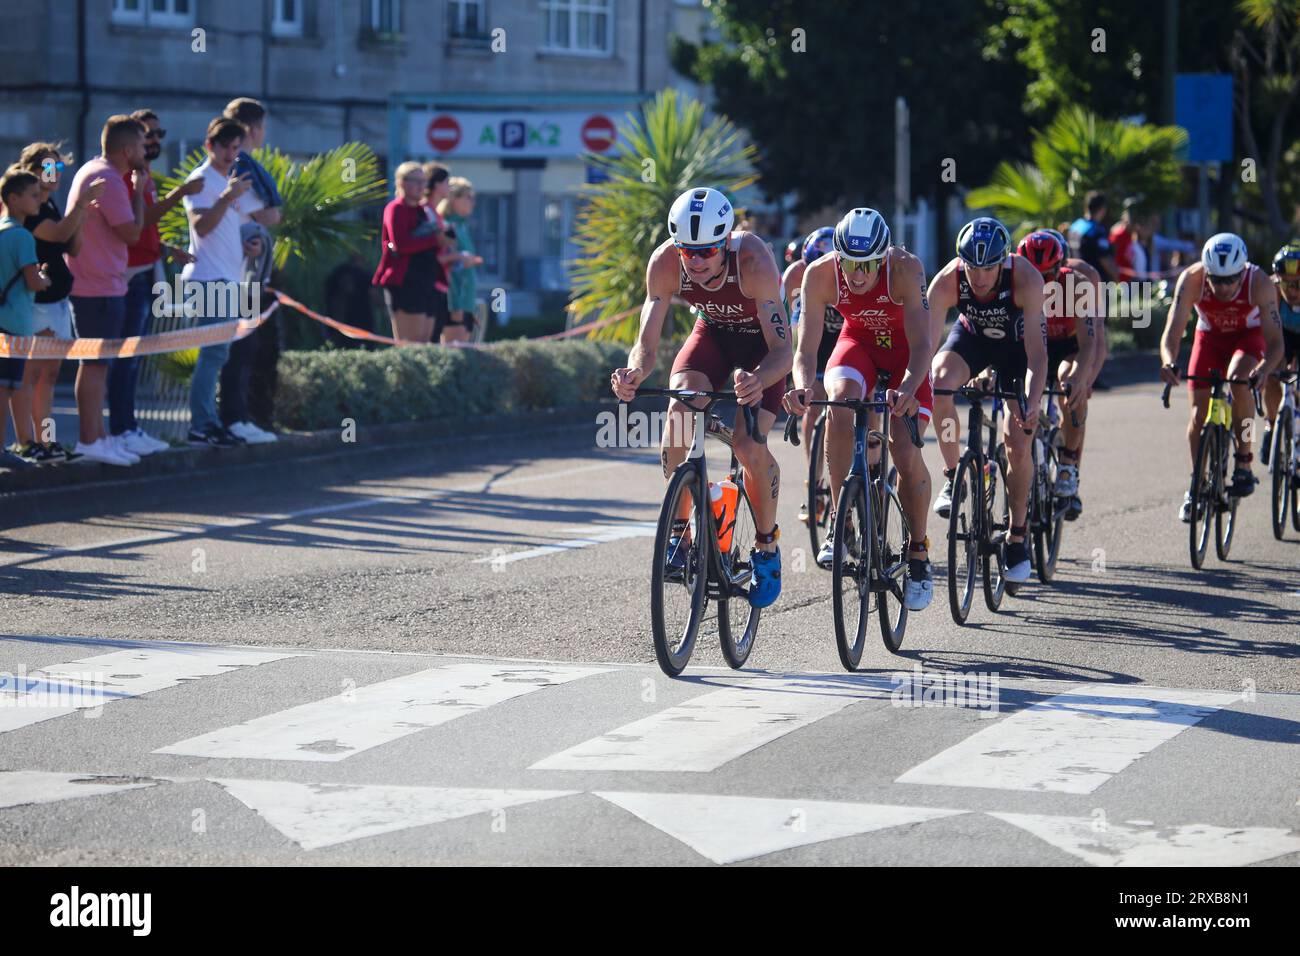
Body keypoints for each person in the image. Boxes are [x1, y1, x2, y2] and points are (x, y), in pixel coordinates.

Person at [610, 186, 792, 609]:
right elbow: (646, 342)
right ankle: (680, 532)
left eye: (707, 251)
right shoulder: (665, 263)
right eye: (687, 251)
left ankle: (766, 548)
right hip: (712, 337)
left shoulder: (754, 260)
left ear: (726, 242)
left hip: (761, 350)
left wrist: (760, 379)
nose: (696, 261)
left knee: (748, 444)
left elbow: (783, 349)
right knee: (678, 413)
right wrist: (635, 370)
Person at [784, 208, 935, 610]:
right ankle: (840, 519)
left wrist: (906, 388)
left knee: (904, 451)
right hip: (859, 345)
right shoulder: (819, 274)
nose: (856, 273)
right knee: (838, 403)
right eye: (848, 262)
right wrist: (801, 386)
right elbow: (806, 349)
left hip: (906, 354)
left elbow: (923, 345)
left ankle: (918, 551)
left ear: (883, 257)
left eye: (866, 264)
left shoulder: (906, 268)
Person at [929, 216, 1048, 585]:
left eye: (988, 267)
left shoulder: (1026, 279)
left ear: (1004, 261)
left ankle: (1017, 535)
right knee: (939, 383)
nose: (979, 277)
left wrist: (1031, 402)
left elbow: (1038, 355)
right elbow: (926, 346)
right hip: (972, 342)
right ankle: (954, 476)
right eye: (972, 267)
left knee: (1018, 442)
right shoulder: (947, 282)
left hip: (1015, 350)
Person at [1159, 233, 1285, 520]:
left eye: (1231, 279)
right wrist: (1168, 361)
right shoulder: (1192, 279)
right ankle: (1197, 484)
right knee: (1197, 415)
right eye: (1217, 279)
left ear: (1242, 271)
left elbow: (1276, 343)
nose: (1224, 286)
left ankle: (1244, 461)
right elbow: (1173, 331)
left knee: (1239, 380)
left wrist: (1264, 370)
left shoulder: (1260, 283)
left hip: (1247, 338)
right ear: (1207, 273)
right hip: (1210, 339)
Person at [111, 110, 200, 457]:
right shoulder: (123, 176)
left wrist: (164, 248)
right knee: (123, 357)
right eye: (148, 134)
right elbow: (134, 222)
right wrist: (180, 193)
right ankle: (119, 429)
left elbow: (142, 226)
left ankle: (129, 427)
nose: (155, 141)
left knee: (135, 357)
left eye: (160, 134)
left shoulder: (143, 174)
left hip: (147, 270)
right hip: (127, 276)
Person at [64, 115, 148, 466]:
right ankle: (90, 439)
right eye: (143, 145)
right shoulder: (109, 180)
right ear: (127, 150)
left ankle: (99, 437)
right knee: (96, 364)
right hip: (97, 287)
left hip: (100, 284)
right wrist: (139, 192)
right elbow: (132, 233)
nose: (147, 150)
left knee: (99, 364)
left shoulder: (97, 171)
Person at [10, 143, 101, 462]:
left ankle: (46, 442)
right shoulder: (29, 213)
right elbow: (59, 233)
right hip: (36, 304)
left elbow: (72, 247)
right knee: (30, 376)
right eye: (49, 168)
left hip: (58, 301)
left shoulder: (51, 206)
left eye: (59, 168)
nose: (55, 174)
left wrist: (83, 215)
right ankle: (25, 442)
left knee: (49, 377)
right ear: (32, 172)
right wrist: (80, 207)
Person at [180, 116, 264, 447]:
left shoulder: (225, 181)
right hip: (209, 278)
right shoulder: (202, 180)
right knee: (213, 353)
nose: (231, 155)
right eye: (225, 147)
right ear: (209, 146)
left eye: (235, 148)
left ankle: (210, 423)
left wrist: (246, 246)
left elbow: (219, 231)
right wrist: (227, 198)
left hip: (227, 276)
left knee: (220, 353)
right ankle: (201, 425)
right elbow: (200, 227)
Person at [1017, 229, 1100, 519]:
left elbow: (1091, 342)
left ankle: (1067, 464)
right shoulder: (1015, 282)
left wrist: (1082, 377)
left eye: (1047, 275)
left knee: (1070, 386)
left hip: (1065, 348)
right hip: (1029, 348)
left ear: (1061, 266)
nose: (1039, 282)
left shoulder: (1077, 283)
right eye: (1033, 274)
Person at [219, 98, 282, 441]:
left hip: (246, 272)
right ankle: (232, 419)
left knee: (244, 347)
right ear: (254, 128)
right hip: (238, 273)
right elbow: (266, 214)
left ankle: (237, 417)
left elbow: (270, 214)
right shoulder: (239, 164)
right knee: (237, 348)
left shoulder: (243, 163)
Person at [780, 226, 838, 522]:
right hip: (814, 340)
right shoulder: (795, 275)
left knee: (858, 403)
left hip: (846, 341)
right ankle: (814, 486)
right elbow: (790, 329)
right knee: (811, 408)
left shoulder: (846, 276)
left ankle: (871, 474)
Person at [0, 167, 51, 469]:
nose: (39, 201)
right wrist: (43, 277)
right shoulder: (22, 236)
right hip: (15, 322)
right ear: (14, 198)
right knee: (6, 388)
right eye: (33, 196)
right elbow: (33, 282)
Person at [372, 161, 440, 343]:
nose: (421, 186)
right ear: (401, 183)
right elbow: (401, 244)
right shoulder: (396, 208)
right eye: (415, 181)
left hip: (425, 280)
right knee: (410, 343)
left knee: (425, 343)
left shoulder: (422, 211)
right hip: (405, 280)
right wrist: (434, 240)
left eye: (423, 181)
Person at [1261, 242, 1300, 464]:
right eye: (1287, 284)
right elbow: (1267, 335)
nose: (1292, 292)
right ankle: (1271, 423)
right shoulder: (1271, 289)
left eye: (1298, 285)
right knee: (1272, 375)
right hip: (1281, 335)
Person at [436, 177, 484, 344]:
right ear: (453, 198)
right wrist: (455, 305)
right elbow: (447, 268)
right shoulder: (448, 227)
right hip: (457, 304)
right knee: (453, 355)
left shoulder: (462, 226)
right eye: (468, 197)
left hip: (466, 302)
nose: (473, 202)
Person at [1067, 190, 1118, 282]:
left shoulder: (1075, 226)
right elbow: (1105, 260)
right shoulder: (1096, 231)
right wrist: (1117, 276)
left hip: (1074, 278)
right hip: (1094, 281)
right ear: (1102, 209)